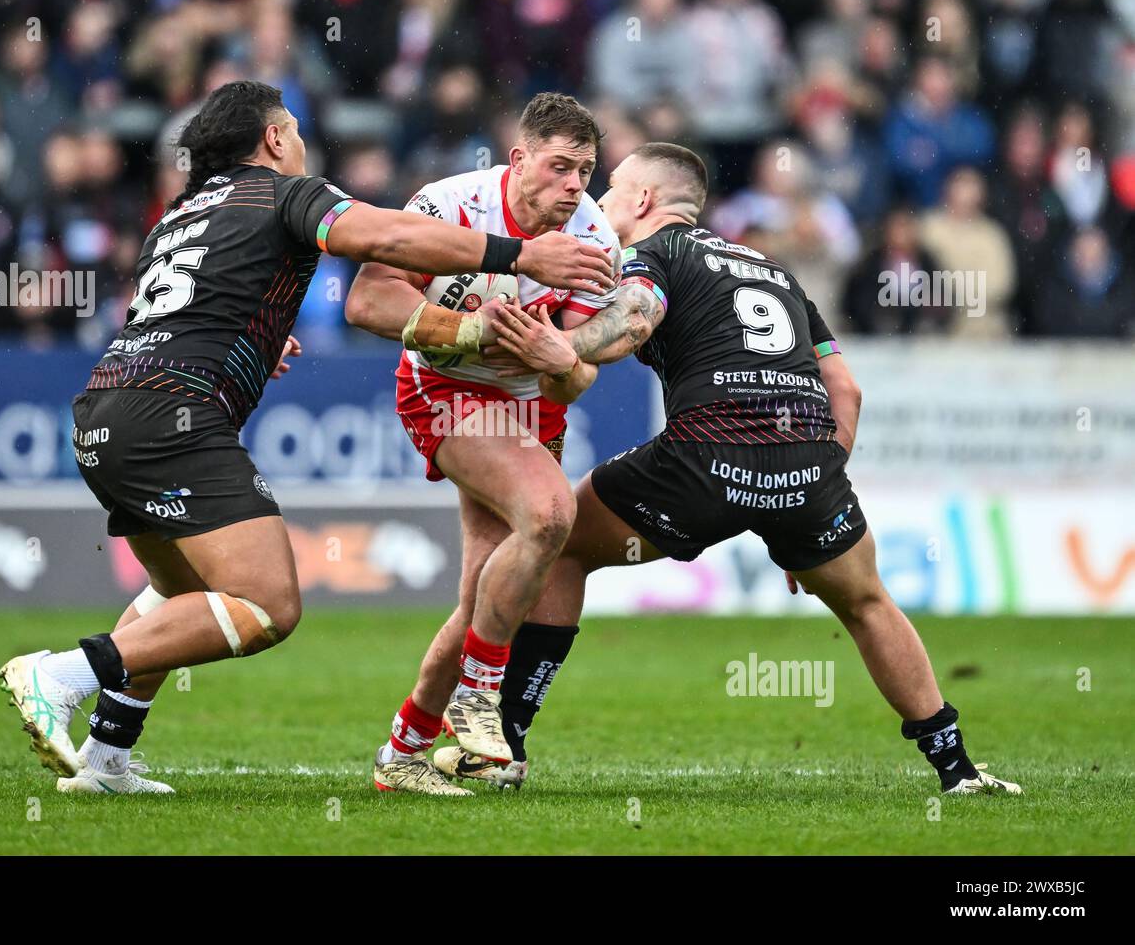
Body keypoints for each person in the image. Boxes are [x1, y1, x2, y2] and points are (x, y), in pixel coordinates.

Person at [0, 80, 613, 795]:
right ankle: (59, 674)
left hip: (106, 412)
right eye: (292, 127)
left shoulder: (181, 213)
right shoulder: (287, 193)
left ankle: (107, 759)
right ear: (273, 140)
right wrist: (518, 257)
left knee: (179, 593)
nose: (301, 139)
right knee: (266, 606)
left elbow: (186, 306)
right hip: (174, 419)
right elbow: (385, 239)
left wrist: (262, 340)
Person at [435, 142, 1021, 797]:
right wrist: (811, 494)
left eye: (610, 193)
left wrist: (561, 347)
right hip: (809, 467)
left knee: (559, 544)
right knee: (865, 602)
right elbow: (846, 390)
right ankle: (957, 768)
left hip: (706, 459)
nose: (597, 205)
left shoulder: (654, 254)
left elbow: (634, 319)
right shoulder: (772, 269)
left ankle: (508, 744)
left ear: (644, 202)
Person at [344, 92, 620, 795]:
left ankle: (403, 752)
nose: (573, 186)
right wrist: (469, 331)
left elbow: (575, 383)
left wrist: (559, 359)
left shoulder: (597, 241)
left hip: (532, 408)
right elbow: (368, 301)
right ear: (518, 158)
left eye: (585, 171)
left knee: (480, 601)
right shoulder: (447, 205)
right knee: (552, 515)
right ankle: (478, 697)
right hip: (447, 389)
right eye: (559, 167)